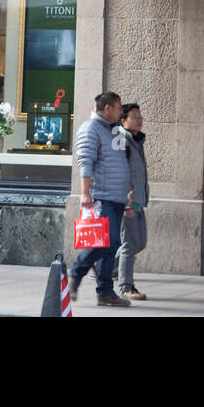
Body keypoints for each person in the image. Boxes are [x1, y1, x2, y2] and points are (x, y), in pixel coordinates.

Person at [67, 91, 132, 308]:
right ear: (107, 108)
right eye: (118, 107)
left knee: (110, 246)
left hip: (117, 197)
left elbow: (120, 161)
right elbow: (85, 162)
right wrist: (85, 193)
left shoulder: (114, 130)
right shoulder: (90, 129)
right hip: (101, 197)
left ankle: (105, 293)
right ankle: (76, 272)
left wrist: (128, 190)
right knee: (108, 241)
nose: (120, 111)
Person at [115, 103, 149, 301]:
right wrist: (126, 200)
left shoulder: (136, 140)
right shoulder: (121, 140)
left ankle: (106, 262)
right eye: (134, 117)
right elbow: (119, 171)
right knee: (129, 244)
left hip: (139, 199)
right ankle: (126, 286)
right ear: (123, 121)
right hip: (128, 200)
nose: (139, 119)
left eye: (139, 116)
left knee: (140, 242)